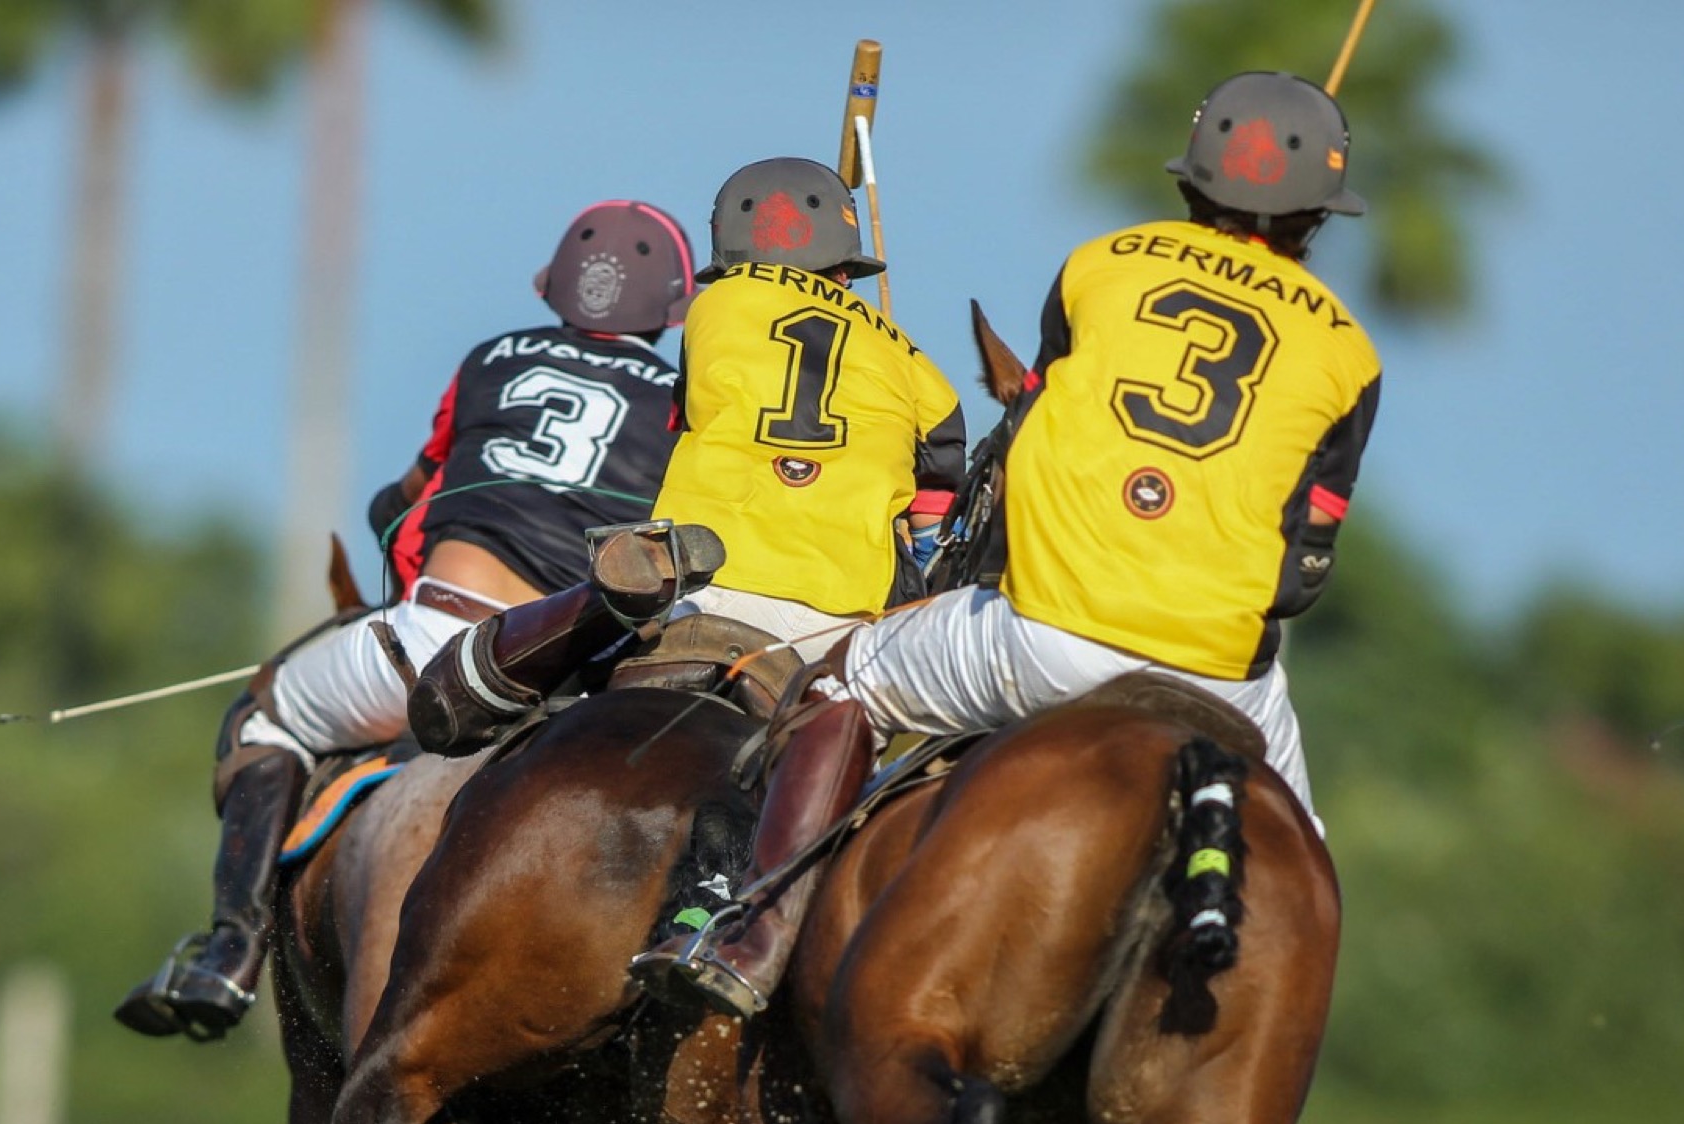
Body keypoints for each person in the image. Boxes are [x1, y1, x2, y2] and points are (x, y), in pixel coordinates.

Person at [643, 72, 1380, 1030]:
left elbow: (1028, 446)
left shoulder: (1100, 267)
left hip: (1041, 639)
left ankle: (752, 931)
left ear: (1192, 185)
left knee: (835, 685)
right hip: (1220, 678)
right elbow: (1299, 578)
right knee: (1304, 861)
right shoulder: (1349, 353)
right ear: (1317, 217)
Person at [116, 199, 699, 1041]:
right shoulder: (685, 402)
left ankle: (229, 952)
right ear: (673, 309)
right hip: (569, 679)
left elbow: (408, 512)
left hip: (432, 651)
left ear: (557, 287)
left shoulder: (489, 360)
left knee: (269, 718)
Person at [406, 156, 965, 760]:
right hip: (837, 616)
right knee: (868, 792)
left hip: (701, 583)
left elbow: (686, 420)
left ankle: (471, 689)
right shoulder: (914, 361)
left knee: (569, 689)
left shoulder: (715, 307)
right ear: (846, 265)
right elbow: (938, 491)